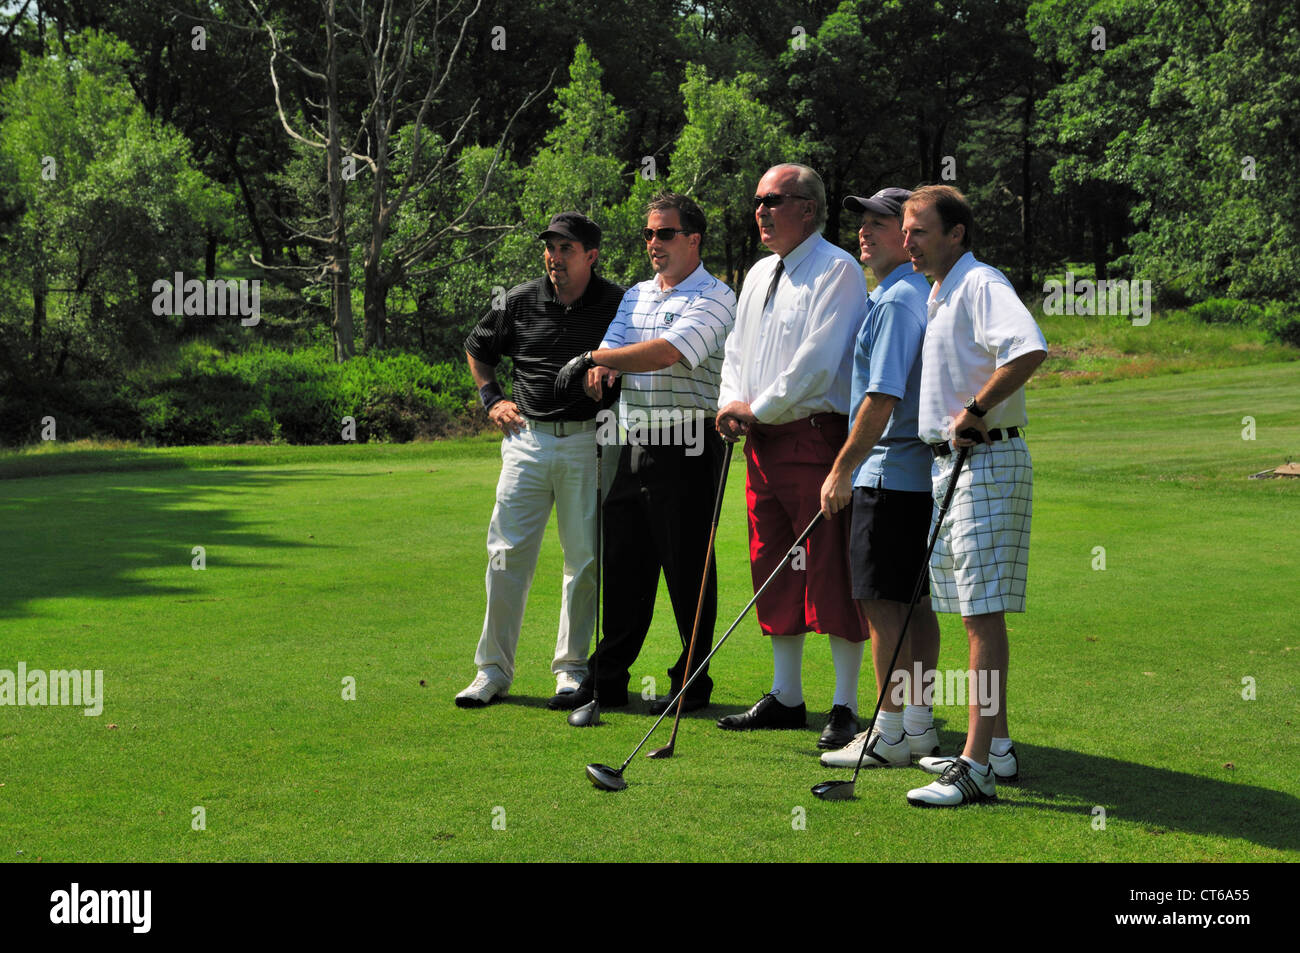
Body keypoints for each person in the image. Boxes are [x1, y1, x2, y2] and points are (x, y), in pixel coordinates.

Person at [551, 192, 736, 714]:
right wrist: (596, 375)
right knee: (625, 565)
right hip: (633, 439)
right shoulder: (635, 295)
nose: (653, 243)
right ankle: (608, 679)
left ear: (693, 239)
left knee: (686, 569)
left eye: (665, 233)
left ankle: (692, 682)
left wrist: (595, 356)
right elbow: (611, 358)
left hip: (691, 443)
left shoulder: (717, 296)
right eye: (648, 234)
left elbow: (670, 352)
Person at [899, 185, 1047, 806]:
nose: (907, 241)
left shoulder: (981, 282)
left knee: (980, 615)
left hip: (984, 459)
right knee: (965, 607)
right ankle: (1001, 749)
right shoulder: (938, 291)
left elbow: (1029, 348)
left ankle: (977, 766)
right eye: (905, 230)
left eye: (919, 230)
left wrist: (977, 407)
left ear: (956, 233)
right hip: (949, 466)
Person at [714, 163, 870, 751]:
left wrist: (755, 408)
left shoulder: (838, 269)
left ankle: (845, 704)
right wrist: (734, 401)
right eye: (757, 199)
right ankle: (786, 696)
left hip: (811, 435)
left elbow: (817, 361)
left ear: (807, 207)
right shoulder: (757, 273)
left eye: (773, 199)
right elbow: (736, 349)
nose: (760, 209)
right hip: (760, 438)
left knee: (829, 563)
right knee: (771, 560)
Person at [455, 212, 625, 709]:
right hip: (526, 439)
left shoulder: (618, 303)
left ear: (590, 255)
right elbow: (477, 347)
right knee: (505, 554)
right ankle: (491, 672)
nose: (554, 258)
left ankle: (571, 671)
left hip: (588, 441)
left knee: (583, 560)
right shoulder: (519, 301)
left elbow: (635, 356)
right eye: (550, 248)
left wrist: (611, 368)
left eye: (565, 249)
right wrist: (491, 398)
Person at [816, 187, 943, 770]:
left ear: (908, 232)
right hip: (916, 475)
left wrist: (842, 467)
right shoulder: (917, 291)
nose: (864, 232)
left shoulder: (896, 300)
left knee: (881, 604)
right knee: (913, 603)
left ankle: (888, 732)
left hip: (888, 472)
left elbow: (882, 395)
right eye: (861, 222)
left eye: (880, 223)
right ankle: (918, 728)